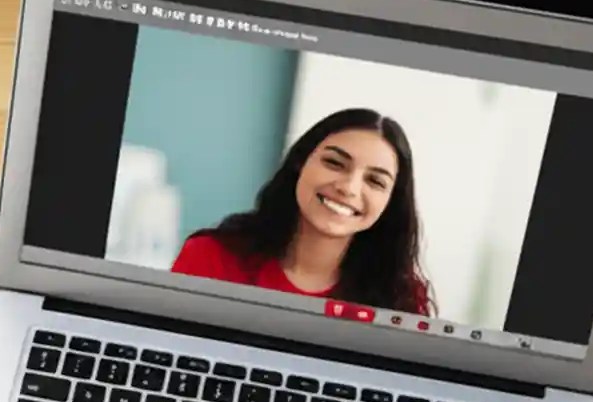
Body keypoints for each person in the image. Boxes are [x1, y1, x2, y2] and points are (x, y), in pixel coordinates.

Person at [169, 108, 434, 316]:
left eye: (375, 181)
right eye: (334, 163)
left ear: (390, 202)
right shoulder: (210, 257)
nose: (349, 188)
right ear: (300, 162)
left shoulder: (403, 298)